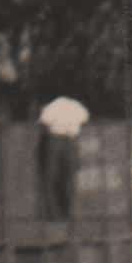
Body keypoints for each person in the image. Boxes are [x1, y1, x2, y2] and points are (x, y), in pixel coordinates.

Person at [35, 95, 88, 226]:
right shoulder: (76, 105)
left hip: (55, 140)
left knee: (50, 178)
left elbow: (44, 121)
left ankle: (54, 216)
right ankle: (70, 214)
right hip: (71, 140)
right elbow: (84, 118)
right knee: (69, 178)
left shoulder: (52, 106)